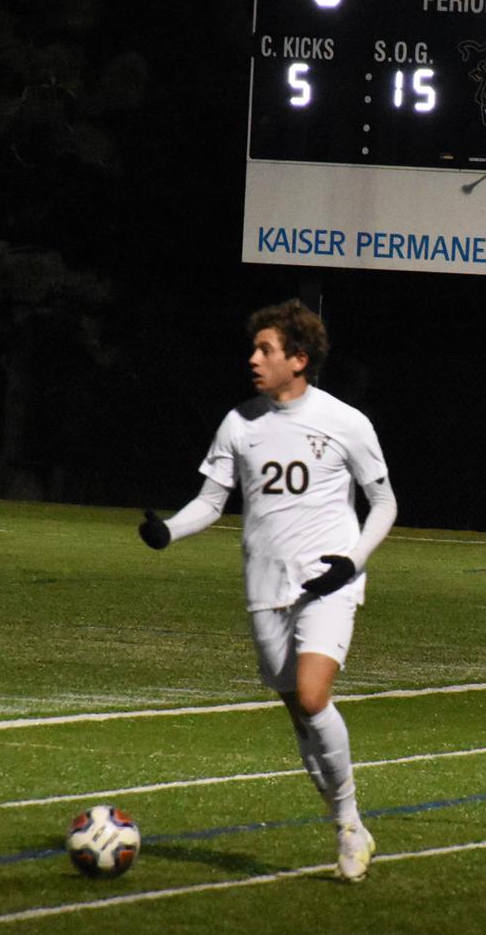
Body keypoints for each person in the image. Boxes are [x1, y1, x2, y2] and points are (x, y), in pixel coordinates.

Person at [139, 299, 396, 882]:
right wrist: (167, 532)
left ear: (299, 360)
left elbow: (384, 503)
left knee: (311, 696)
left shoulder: (345, 422)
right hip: (264, 586)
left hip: (328, 582)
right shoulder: (240, 423)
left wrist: (350, 563)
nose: (253, 359)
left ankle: (350, 825)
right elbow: (212, 500)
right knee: (298, 713)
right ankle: (349, 825)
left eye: (266, 350)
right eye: (254, 349)